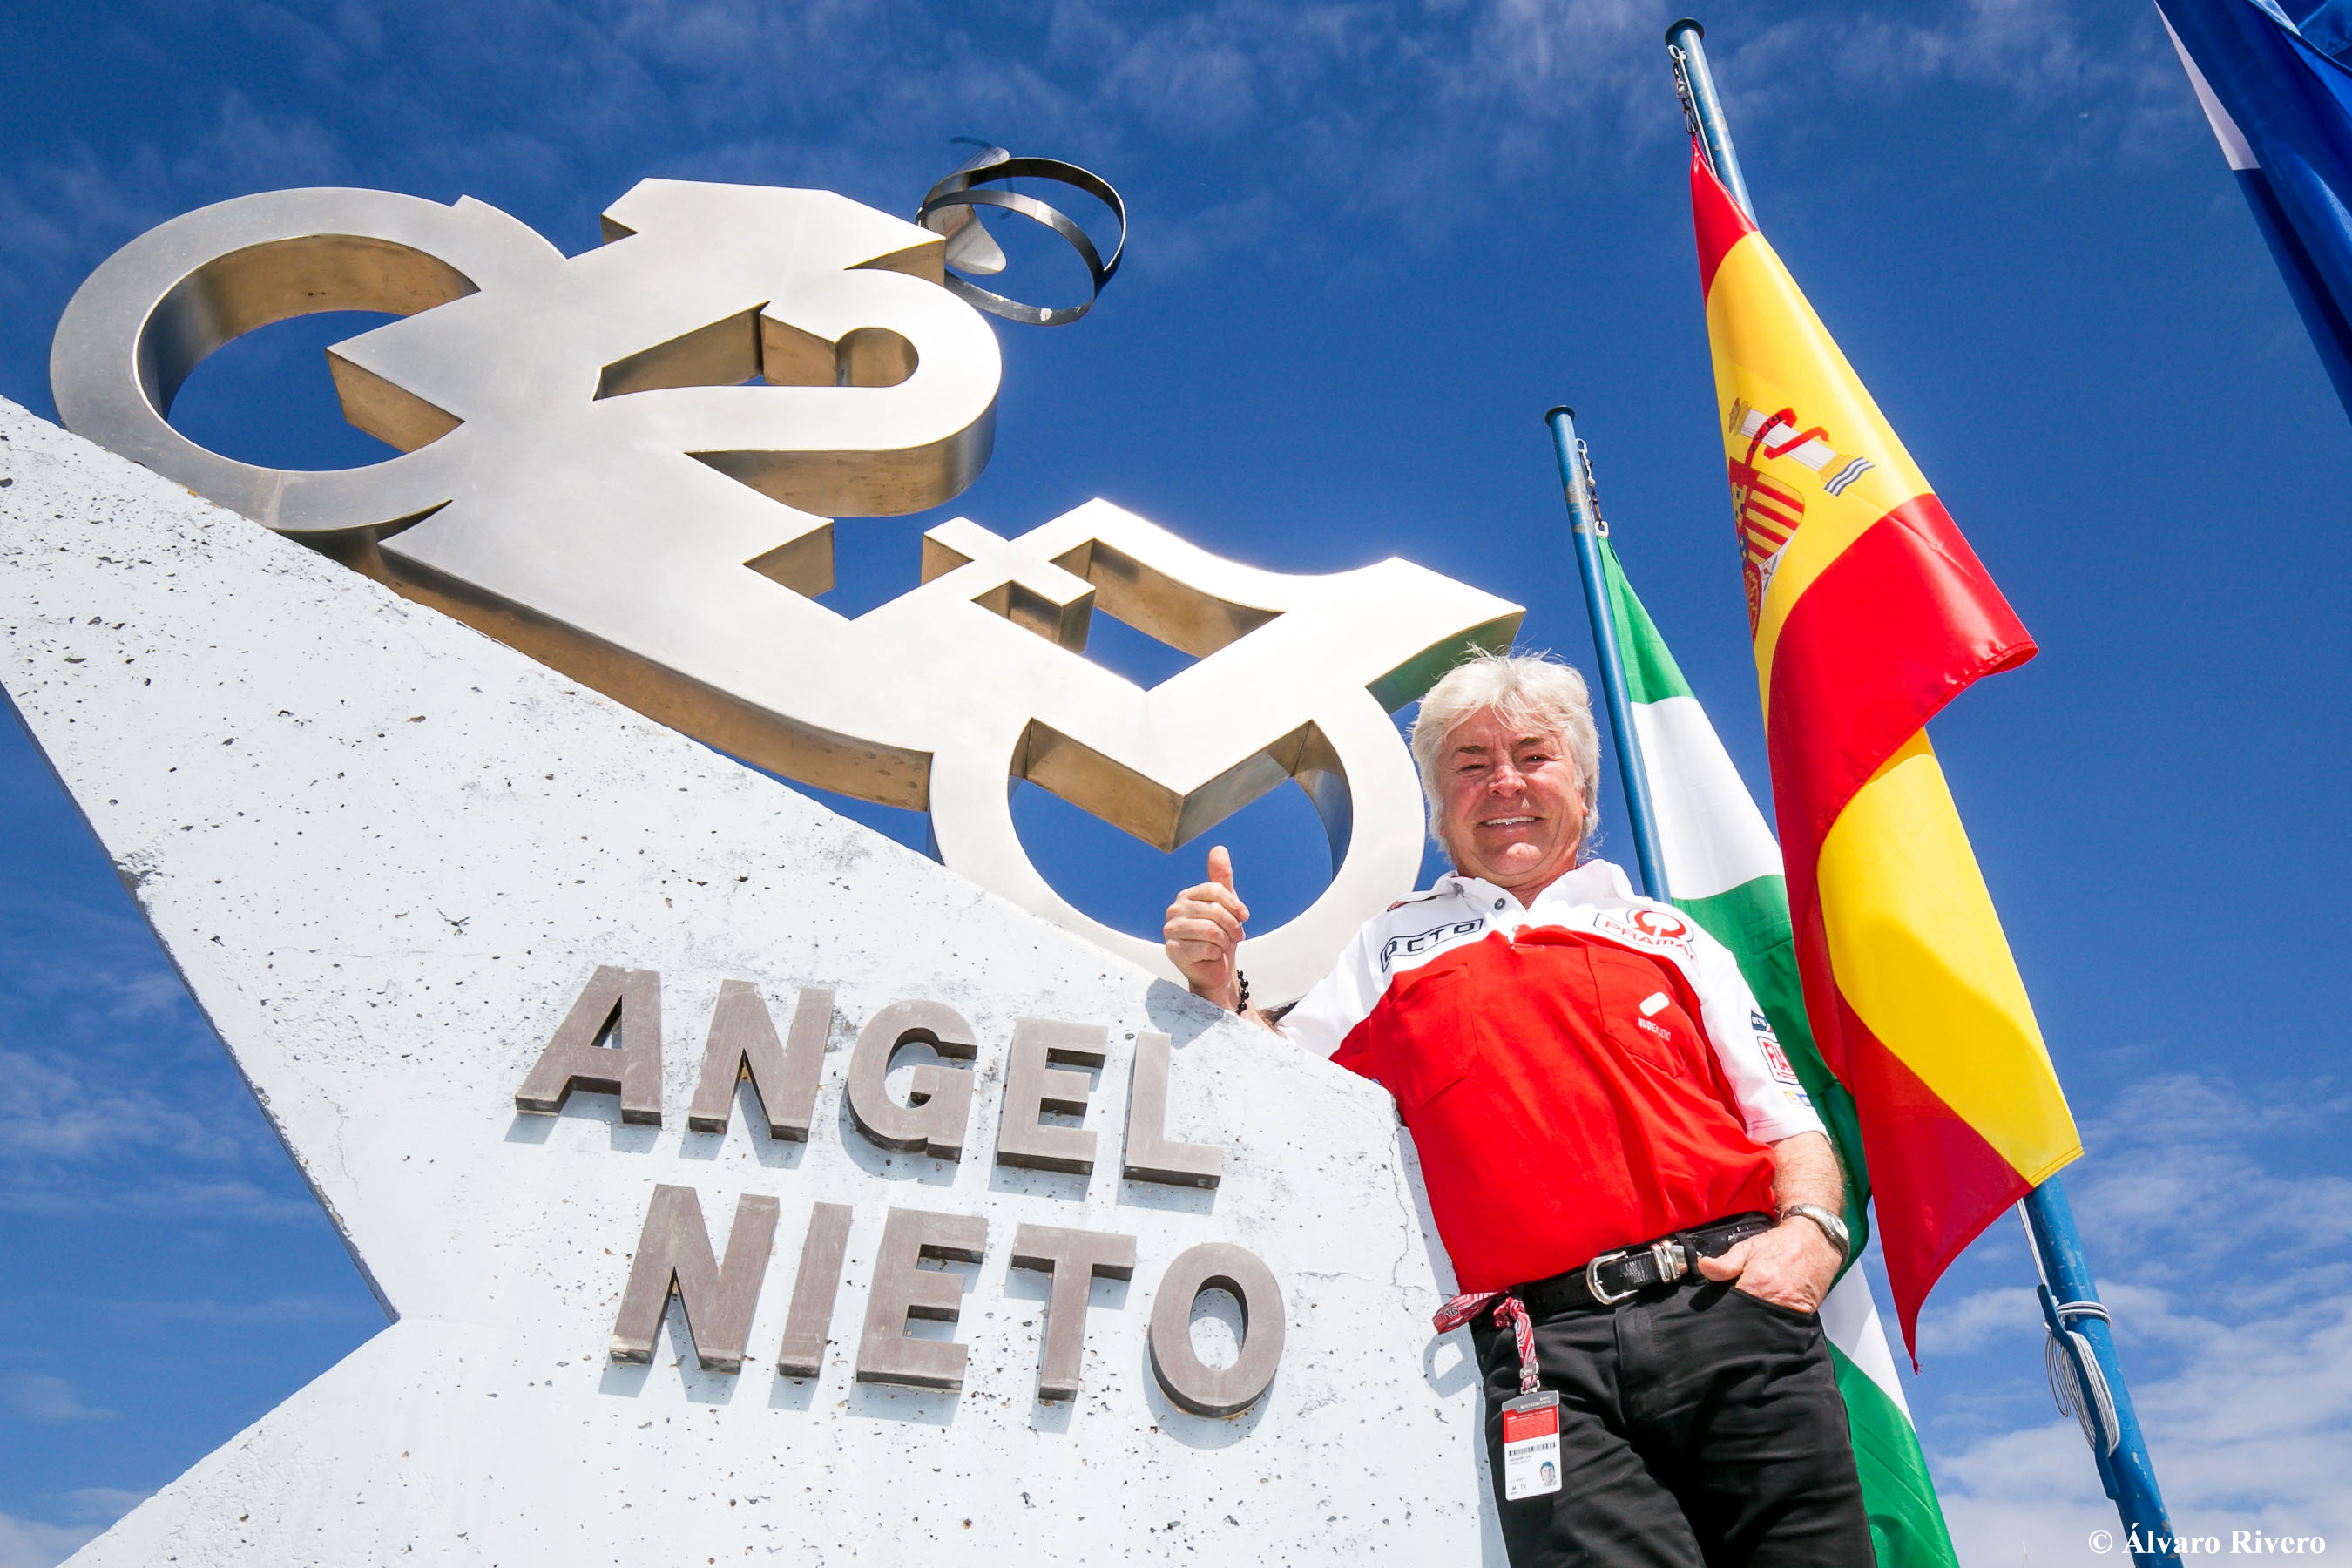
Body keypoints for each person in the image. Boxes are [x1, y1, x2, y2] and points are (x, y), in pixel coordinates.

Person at [1163, 651, 1871, 1568]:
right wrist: (1219, 984)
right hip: (1544, 1364)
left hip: (1733, 1314)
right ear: (1439, 803)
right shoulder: (1389, 946)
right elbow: (1288, 1086)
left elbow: (1787, 1124)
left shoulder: (1670, 935)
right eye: (1470, 763)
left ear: (1578, 781)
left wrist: (1811, 1234)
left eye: (1532, 756)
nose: (1504, 783)